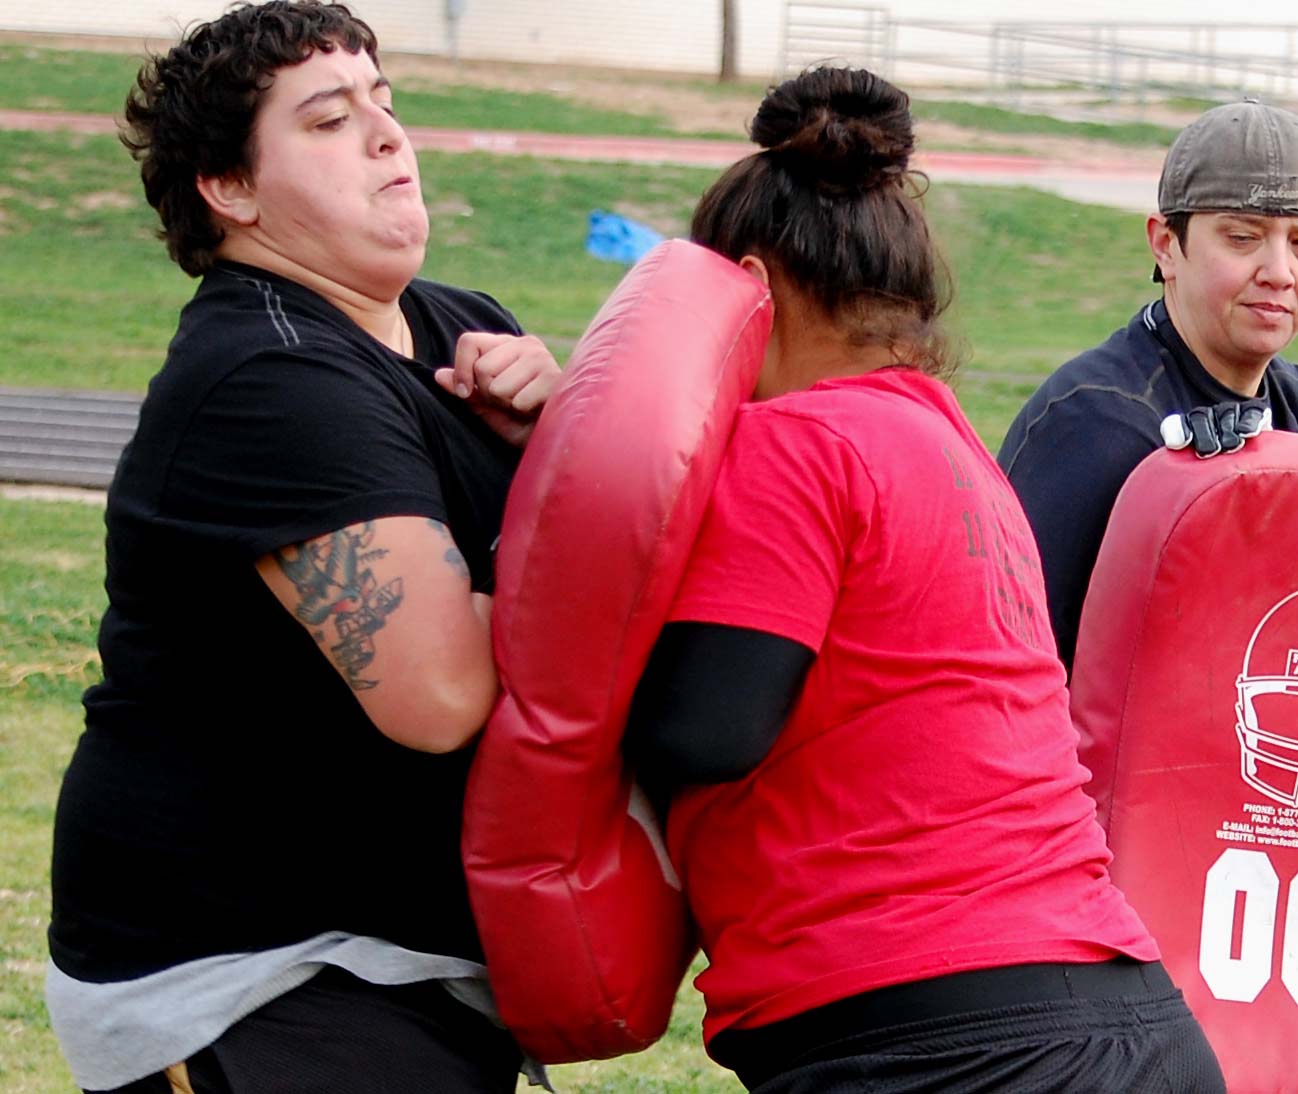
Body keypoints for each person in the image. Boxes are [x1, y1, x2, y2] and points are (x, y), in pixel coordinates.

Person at [624, 66, 1225, 1093]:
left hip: (943, 1040)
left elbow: (704, 729)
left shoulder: (791, 442)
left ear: (749, 289)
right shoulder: (954, 450)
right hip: (1131, 1023)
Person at [45, 3, 559, 1091]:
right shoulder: (269, 375)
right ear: (229, 189)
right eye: (328, 121)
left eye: (384, 101)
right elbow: (437, 692)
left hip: (391, 966)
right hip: (254, 974)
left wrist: (563, 436)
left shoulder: (457, 324)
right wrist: (587, 507)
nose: (385, 135)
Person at [998, 99, 1298, 673]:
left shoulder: (1291, 405)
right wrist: (1181, 492)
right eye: (1242, 237)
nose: (1280, 272)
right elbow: (1011, 669)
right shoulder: (1094, 425)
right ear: (1165, 245)